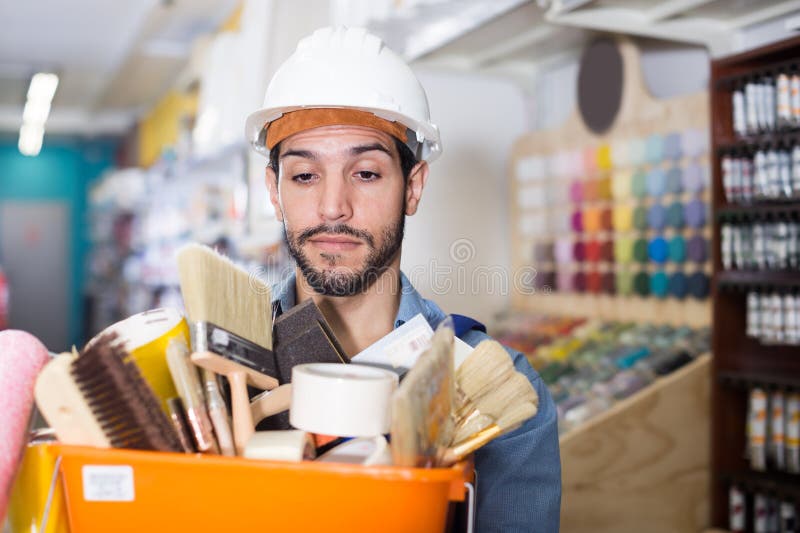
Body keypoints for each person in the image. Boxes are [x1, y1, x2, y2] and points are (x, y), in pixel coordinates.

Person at [245, 26, 561, 532]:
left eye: (366, 173)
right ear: (275, 191)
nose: (333, 206)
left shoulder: (497, 391)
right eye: (305, 176)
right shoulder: (220, 369)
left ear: (412, 187)